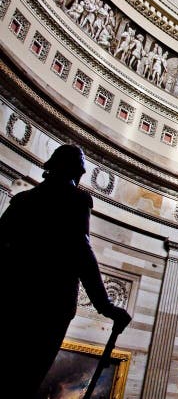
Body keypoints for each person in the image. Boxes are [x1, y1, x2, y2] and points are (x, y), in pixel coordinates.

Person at [0, 144, 132, 398]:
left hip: (11, 299)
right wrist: (105, 306)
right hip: (51, 303)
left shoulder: (22, 201)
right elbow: (81, 251)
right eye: (79, 171)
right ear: (75, 171)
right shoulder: (75, 200)